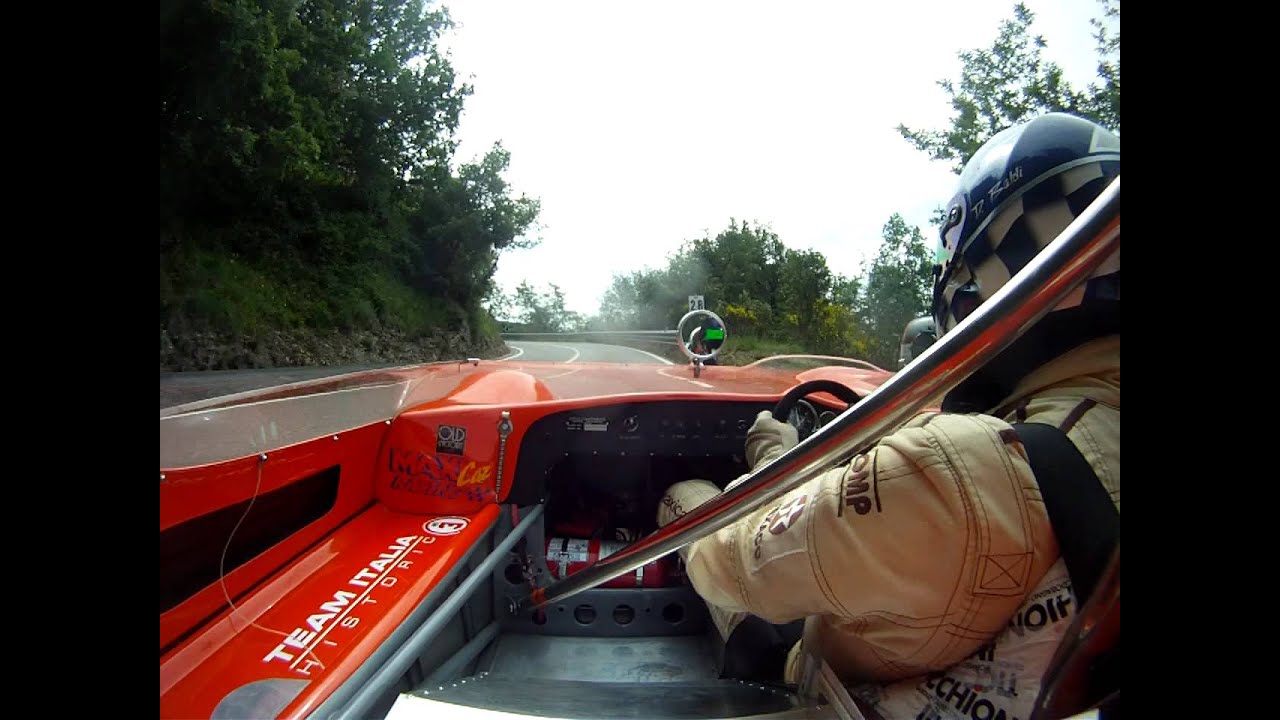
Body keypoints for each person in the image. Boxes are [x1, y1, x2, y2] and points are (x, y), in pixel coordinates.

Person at [657, 112, 1119, 720]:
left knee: (688, 500)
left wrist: (771, 454)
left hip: (832, 684)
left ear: (984, 276)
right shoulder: (1053, 433)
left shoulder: (959, 472)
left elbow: (732, 554)